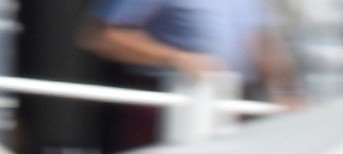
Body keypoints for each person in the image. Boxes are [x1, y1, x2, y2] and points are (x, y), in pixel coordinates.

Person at [81, 0, 295, 100]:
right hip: (168, 106)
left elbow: (263, 42)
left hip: (236, 107)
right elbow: (101, 36)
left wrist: (285, 90)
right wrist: (177, 58)